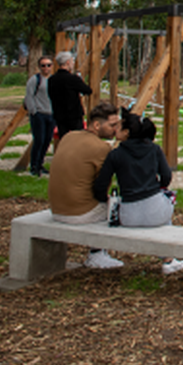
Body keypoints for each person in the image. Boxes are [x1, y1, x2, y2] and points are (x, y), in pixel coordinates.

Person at [93, 111, 183, 274]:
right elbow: (166, 176)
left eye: (118, 126)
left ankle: (98, 253)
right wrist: (160, 188)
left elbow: (100, 186)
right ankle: (168, 260)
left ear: (126, 133)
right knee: (166, 207)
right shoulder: (154, 149)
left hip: (128, 215)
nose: (115, 130)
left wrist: (105, 199)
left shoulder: (116, 155)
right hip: (156, 211)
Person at [47, 101, 124, 269]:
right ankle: (97, 254)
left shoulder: (69, 136)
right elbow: (101, 188)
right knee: (120, 209)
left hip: (57, 208)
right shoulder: (101, 148)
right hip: (78, 213)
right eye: (112, 125)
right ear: (96, 125)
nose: (116, 129)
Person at [48, 50, 92, 143]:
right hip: (74, 115)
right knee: (77, 140)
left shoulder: (52, 79)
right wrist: (79, 80)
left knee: (63, 140)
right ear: (68, 62)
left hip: (59, 114)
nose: (72, 64)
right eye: (72, 61)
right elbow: (88, 90)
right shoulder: (72, 79)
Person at [23, 55, 56, 176]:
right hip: (39, 114)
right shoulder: (35, 80)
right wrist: (34, 112)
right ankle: (34, 166)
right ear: (39, 67)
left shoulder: (53, 79)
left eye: (48, 65)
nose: (46, 67)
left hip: (51, 114)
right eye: (43, 65)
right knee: (39, 140)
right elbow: (29, 96)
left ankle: (40, 164)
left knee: (47, 140)